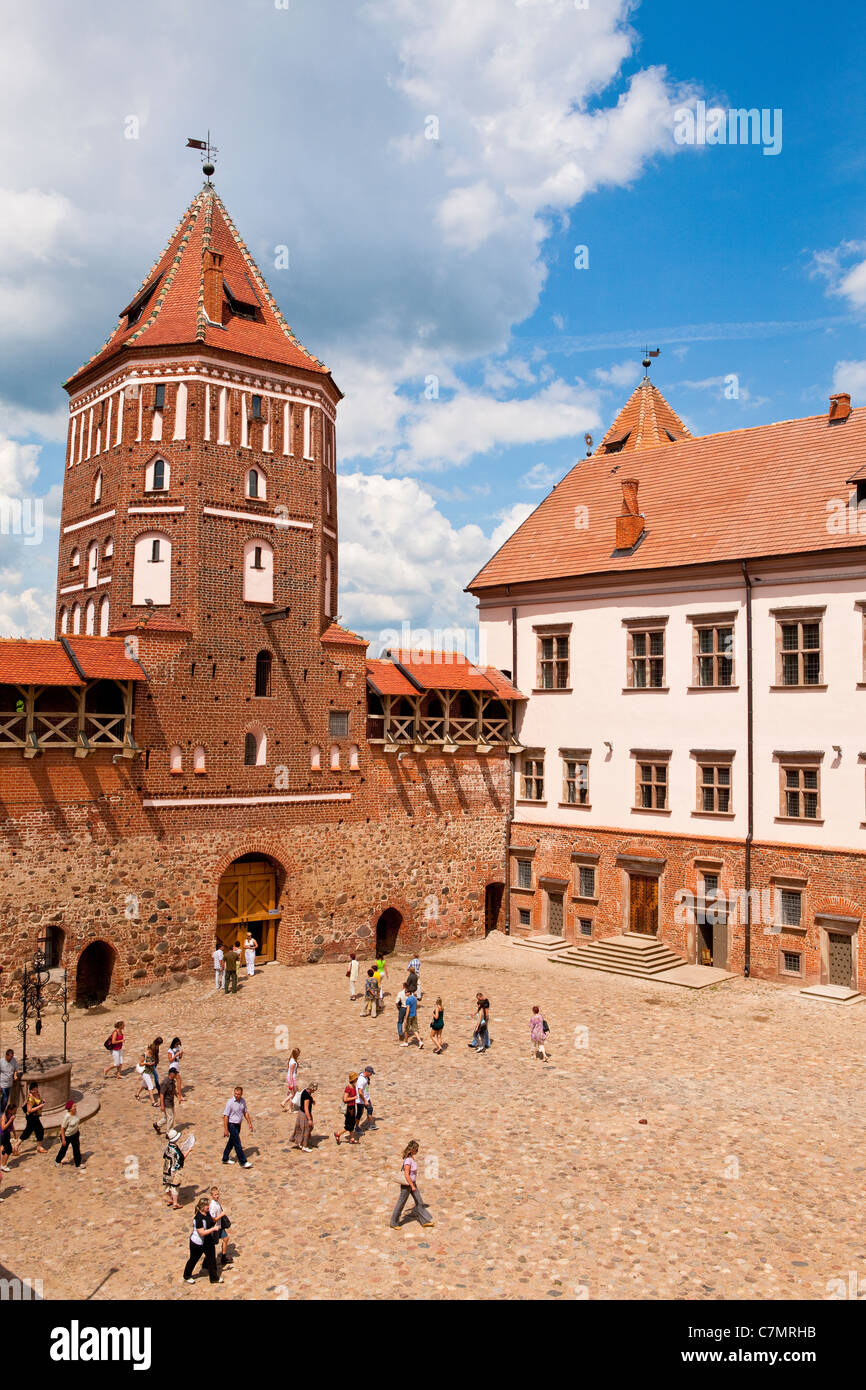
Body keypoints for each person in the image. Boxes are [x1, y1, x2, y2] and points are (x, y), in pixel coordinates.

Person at [390, 1140, 434, 1229]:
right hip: (407, 1185)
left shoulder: (412, 1158)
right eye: (416, 1150)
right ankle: (393, 1222)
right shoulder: (407, 1160)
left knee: (419, 1202)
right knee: (401, 1203)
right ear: (412, 1150)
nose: (417, 1151)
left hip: (413, 1183)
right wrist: (412, 1186)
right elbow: (406, 1174)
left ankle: (424, 1221)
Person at [183, 1197, 221, 1285]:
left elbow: (211, 1221)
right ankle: (187, 1275)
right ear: (203, 1206)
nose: (209, 1207)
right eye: (207, 1205)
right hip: (197, 1243)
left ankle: (214, 1278)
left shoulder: (207, 1214)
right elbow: (202, 1233)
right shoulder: (198, 1218)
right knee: (193, 1259)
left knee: (211, 1258)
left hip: (207, 1241)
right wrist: (214, 1229)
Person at [222, 1086, 254, 1167]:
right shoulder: (230, 1102)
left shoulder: (243, 1101)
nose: (236, 1095)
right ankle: (243, 1162)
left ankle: (225, 1158)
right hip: (231, 1125)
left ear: (241, 1094)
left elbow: (245, 1112)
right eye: (235, 1093)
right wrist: (226, 1130)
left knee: (231, 1142)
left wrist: (249, 1123)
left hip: (238, 1125)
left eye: (238, 1094)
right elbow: (225, 1116)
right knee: (238, 1144)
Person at [55, 1100, 85, 1170]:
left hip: (75, 1134)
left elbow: (76, 1122)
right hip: (67, 1136)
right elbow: (62, 1128)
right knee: (64, 1149)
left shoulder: (75, 1112)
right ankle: (57, 1161)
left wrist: (77, 1130)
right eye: (74, 1106)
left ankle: (78, 1164)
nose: (75, 1107)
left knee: (76, 1149)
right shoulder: (67, 1117)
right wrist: (63, 1139)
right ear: (70, 1108)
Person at [208, 1185, 233, 1266]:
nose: (217, 1196)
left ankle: (223, 1257)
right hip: (215, 1228)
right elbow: (213, 1219)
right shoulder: (212, 1206)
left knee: (226, 1238)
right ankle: (207, 1261)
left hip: (220, 1226)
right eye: (215, 1195)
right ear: (211, 1195)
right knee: (211, 1245)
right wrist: (222, 1215)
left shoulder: (217, 1202)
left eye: (218, 1194)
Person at [19, 1081, 46, 1153]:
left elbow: (38, 1102)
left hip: (35, 1116)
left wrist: (42, 1101)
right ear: (30, 1090)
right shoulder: (30, 1098)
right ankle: (39, 1147)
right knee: (37, 1130)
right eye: (33, 1089)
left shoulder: (37, 1094)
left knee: (35, 1131)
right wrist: (40, 1106)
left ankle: (39, 1147)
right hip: (31, 1117)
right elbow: (29, 1110)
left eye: (35, 1088)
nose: (34, 1090)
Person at [153, 1064, 181, 1135]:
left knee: (168, 1117)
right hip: (166, 1102)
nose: (176, 1075)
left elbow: (174, 1089)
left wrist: (178, 1096)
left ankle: (157, 1124)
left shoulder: (172, 1081)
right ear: (171, 1074)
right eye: (175, 1073)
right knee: (170, 1117)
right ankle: (169, 1133)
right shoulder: (165, 1082)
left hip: (170, 1101)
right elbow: (161, 1094)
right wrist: (162, 1105)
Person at [334, 1073, 360, 1146]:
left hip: (352, 1107)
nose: (357, 1079)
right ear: (354, 1079)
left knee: (352, 1123)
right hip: (349, 1108)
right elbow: (345, 1099)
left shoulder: (353, 1086)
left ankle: (351, 1139)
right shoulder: (348, 1088)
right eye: (356, 1078)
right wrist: (354, 1098)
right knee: (350, 1125)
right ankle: (338, 1133)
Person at [290, 1081, 317, 1152]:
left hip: (300, 1113)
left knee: (302, 1128)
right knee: (306, 1129)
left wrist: (312, 1100)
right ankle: (304, 1146)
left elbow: (309, 1096)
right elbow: (306, 1109)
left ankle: (301, 1142)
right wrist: (309, 1119)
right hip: (304, 1114)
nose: (314, 1091)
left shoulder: (306, 1090)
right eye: (314, 1090)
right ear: (312, 1089)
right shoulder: (307, 1097)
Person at [163, 1127, 185, 1209]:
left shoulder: (168, 1147)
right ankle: (175, 1203)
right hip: (174, 1170)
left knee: (167, 1184)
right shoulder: (175, 1150)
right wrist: (188, 1151)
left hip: (166, 1168)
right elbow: (181, 1159)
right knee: (175, 1186)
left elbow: (164, 1156)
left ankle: (169, 1199)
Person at [0, 1102, 19, 1170]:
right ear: (10, 1110)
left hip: (7, 1134)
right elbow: (3, 1127)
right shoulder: (4, 1116)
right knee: (9, 1150)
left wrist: (14, 1133)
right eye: (14, 1110)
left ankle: (1, 1163)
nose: (15, 1111)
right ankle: (3, 1165)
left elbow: (11, 1125)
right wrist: (10, 1120)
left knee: (4, 1149)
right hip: (3, 1135)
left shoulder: (11, 1114)